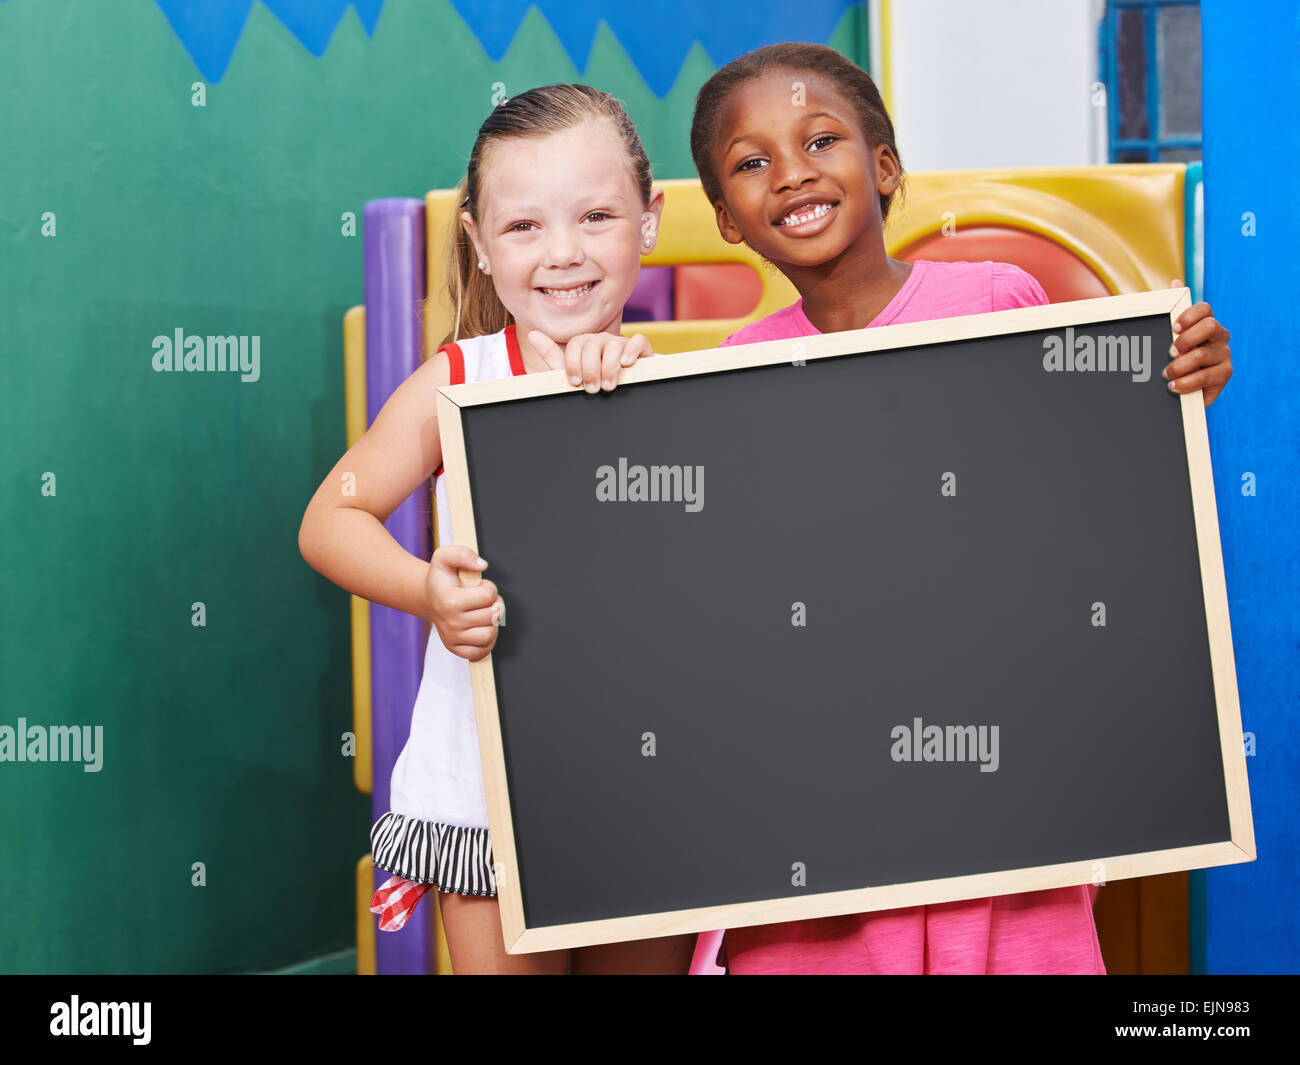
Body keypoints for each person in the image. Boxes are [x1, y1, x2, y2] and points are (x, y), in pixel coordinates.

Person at [688, 42, 1234, 974]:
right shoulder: (738, 368)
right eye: (752, 163)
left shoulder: (992, 301)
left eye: (822, 139)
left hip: (996, 793)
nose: (792, 175)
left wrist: (1176, 385)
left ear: (886, 166)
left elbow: (1083, 488)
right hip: (828, 811)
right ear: (726, 219)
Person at [300, 84, 695, 975]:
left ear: (648, 220)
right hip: (488, 782)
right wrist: (426, 592)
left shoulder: (676, 385)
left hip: (647, 778)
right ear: (477, 243)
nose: (563, 254)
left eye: (596, 215)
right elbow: (332, 516)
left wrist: (635, 402)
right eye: (523, 228)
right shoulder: (457, 380)